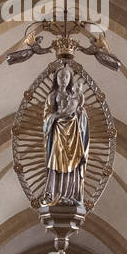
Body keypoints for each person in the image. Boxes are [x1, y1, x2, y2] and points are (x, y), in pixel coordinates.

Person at [42, 65, 89, 202]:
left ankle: (71, 194)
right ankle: (55, 193)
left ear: (70, 79)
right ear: (56, 79)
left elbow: (81, 112)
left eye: (66, 76)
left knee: (73, 163)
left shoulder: (74, 96)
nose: (63, 79)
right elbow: (47, 116)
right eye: (61, 76)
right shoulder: (52, 96)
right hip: (58, 132)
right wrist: (54, 116)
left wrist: (79, 113)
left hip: (73, 133)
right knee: (56, 161)